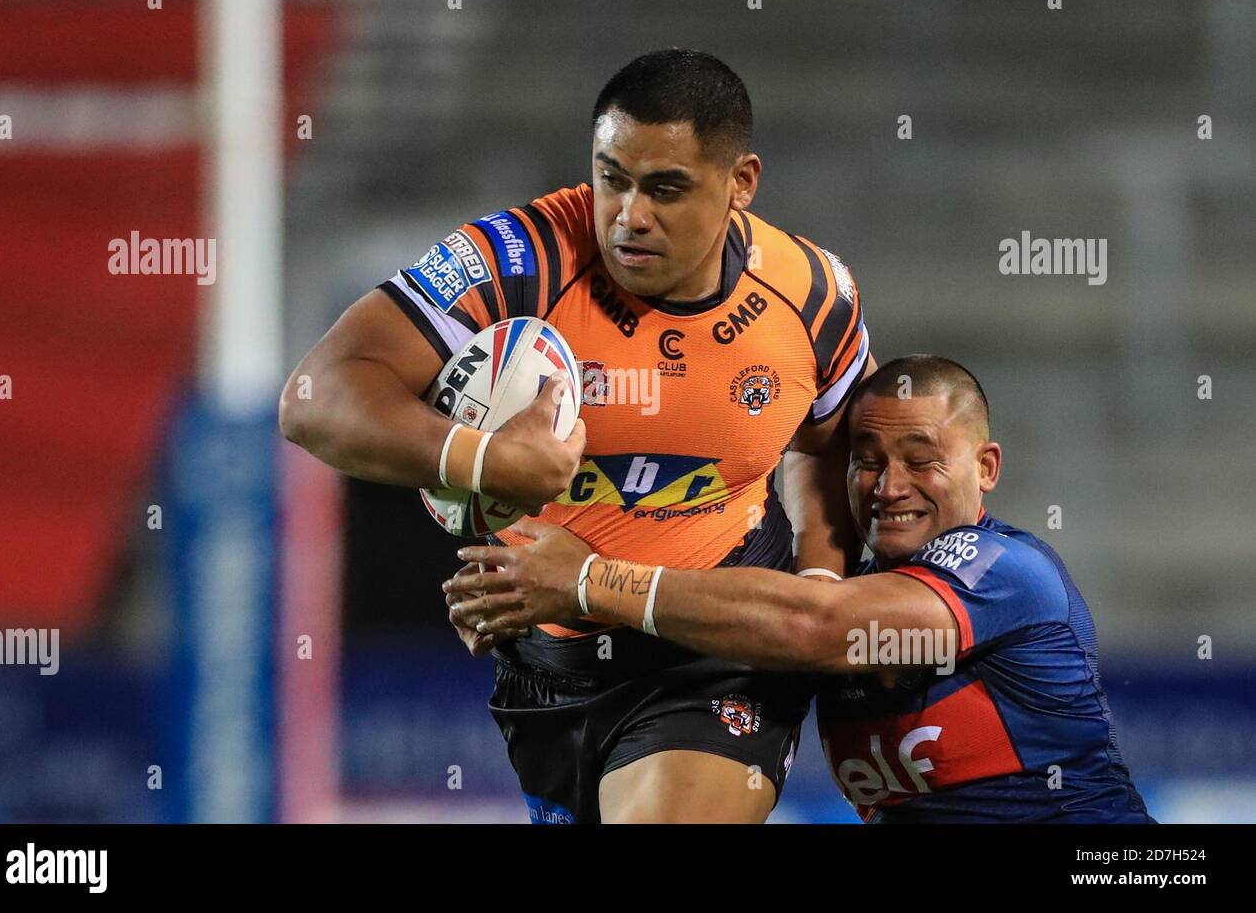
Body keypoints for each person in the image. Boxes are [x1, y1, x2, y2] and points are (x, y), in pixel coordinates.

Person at [281, 48, 875, 823]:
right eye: (612, 178)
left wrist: (817, 598)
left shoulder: (813, 295)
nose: (630, 215)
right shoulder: (519, 256)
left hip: (716, 655)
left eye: (666, 189)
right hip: (548, 666)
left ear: (741, 184)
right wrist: (488, 458)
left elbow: (830, 443)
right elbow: (311, 396)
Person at [447, 355, 1153, 822]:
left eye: (921, 460)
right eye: (867, 462)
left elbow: (817, 627)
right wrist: (522, 602)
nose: (890, 486)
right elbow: (722, 616)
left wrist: (587, 580)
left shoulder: (1005, 571)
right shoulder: (839, 594)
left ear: (988, 466)